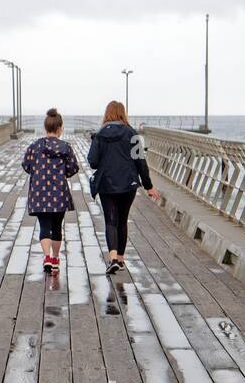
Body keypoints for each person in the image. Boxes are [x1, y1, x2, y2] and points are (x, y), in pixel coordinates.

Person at [87, 100, 160, 274]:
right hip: (128, 184)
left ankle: (112, 258)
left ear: (107, 114)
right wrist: (149, 186)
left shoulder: (99, 135)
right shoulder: (132, 133)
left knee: (111, 221)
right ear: (122, 113)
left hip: (107, 184)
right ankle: (120, 259)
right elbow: (141, 162)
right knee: (122, 220)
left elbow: (93, 162)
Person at [22, 108, 79, 275]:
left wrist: (38, 171)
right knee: (57, 227)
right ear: (60, 128)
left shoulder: (34, 147)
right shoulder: (65, 147)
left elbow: (26, 165)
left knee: (44, 226)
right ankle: (55, 258)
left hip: (39, 193)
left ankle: (46, 257)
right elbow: (73, 168)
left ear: (46, 127)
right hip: (59, 193)